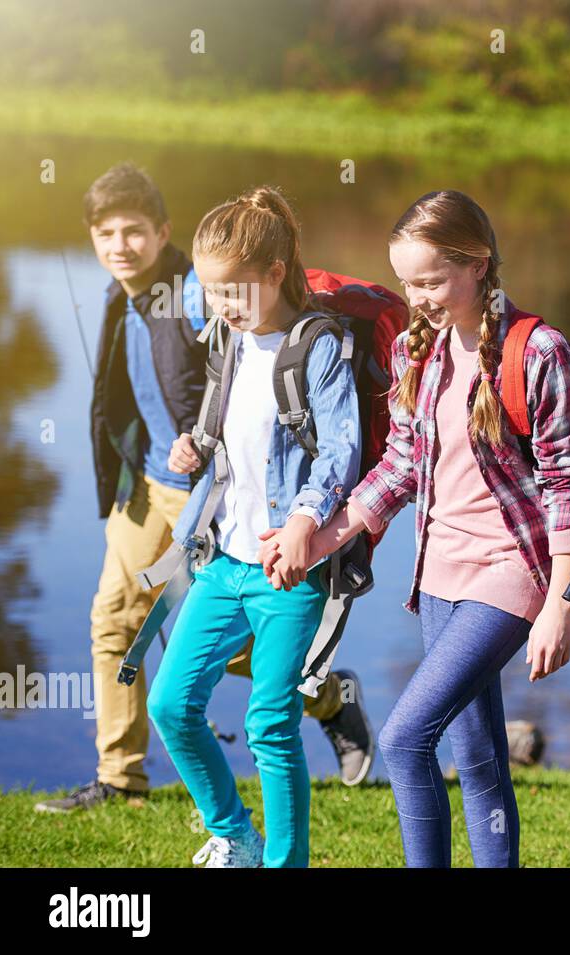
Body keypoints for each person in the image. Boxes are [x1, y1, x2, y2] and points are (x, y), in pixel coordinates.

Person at [35, 165, 374, 816]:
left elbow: (251, 330)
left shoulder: (200, 292)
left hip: (217, 499)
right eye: (105, 233)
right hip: (153, 487)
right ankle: (121, 775)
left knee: (245, 649)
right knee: (115, 620)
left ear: (164, 232)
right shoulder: (120, 293)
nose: (120, 245)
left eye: (134, 231)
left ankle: (329, 696)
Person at [303, 190, 570, 867]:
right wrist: (324, 534)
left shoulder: (539, 351)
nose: (418, 296)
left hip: (512, 573)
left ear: (479, 263)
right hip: (438, 574)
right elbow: (400, 465)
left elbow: (568, 485)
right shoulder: (418, 348)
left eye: (431, 280)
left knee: (405, 738)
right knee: (479, 752)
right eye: (407, 281)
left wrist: (561, 603)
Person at [145, 186, 361, 867]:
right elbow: (226, 435)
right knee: (171, 704)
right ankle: (234, 832)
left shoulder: (318, 348)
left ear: (276, 272)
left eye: (233, 292)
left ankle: (285, 862)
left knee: (270, 723)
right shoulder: (228, 340)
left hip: (287, 568)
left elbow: (339, 448)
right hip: (221, 560)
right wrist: (193, 446)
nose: (220, 307)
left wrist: (304, 518)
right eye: (211, 293)